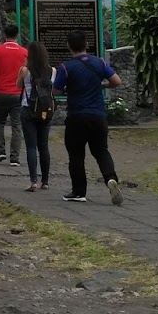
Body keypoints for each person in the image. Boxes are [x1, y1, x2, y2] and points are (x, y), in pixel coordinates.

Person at [54, 31, 125, 204]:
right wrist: (103, 85)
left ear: (69, 47)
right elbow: (117, 81)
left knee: (76, 154)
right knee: (101, 151)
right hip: (98, 116)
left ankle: (79, 192)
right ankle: (110, 178)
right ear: (86, 45)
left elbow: (55, 91)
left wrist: (68, 89)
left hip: (77, 116)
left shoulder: (66, 67)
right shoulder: (99, 62)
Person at [19, 40, 56, 192]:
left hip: (28, 109)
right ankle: (45, 181)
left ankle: (33, 180)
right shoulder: (52, 70)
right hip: (46, 110)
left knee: (31, 146)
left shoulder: (25, 70)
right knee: (44, 146)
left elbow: (18, 85)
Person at [0, 24, 27, 167]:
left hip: (0, 91)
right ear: (17, 35)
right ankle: (15, 157)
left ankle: (0, 150)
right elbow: (26, 72)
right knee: (16, 125)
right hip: (17, 93)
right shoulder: (24, 52)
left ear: (4, 35)